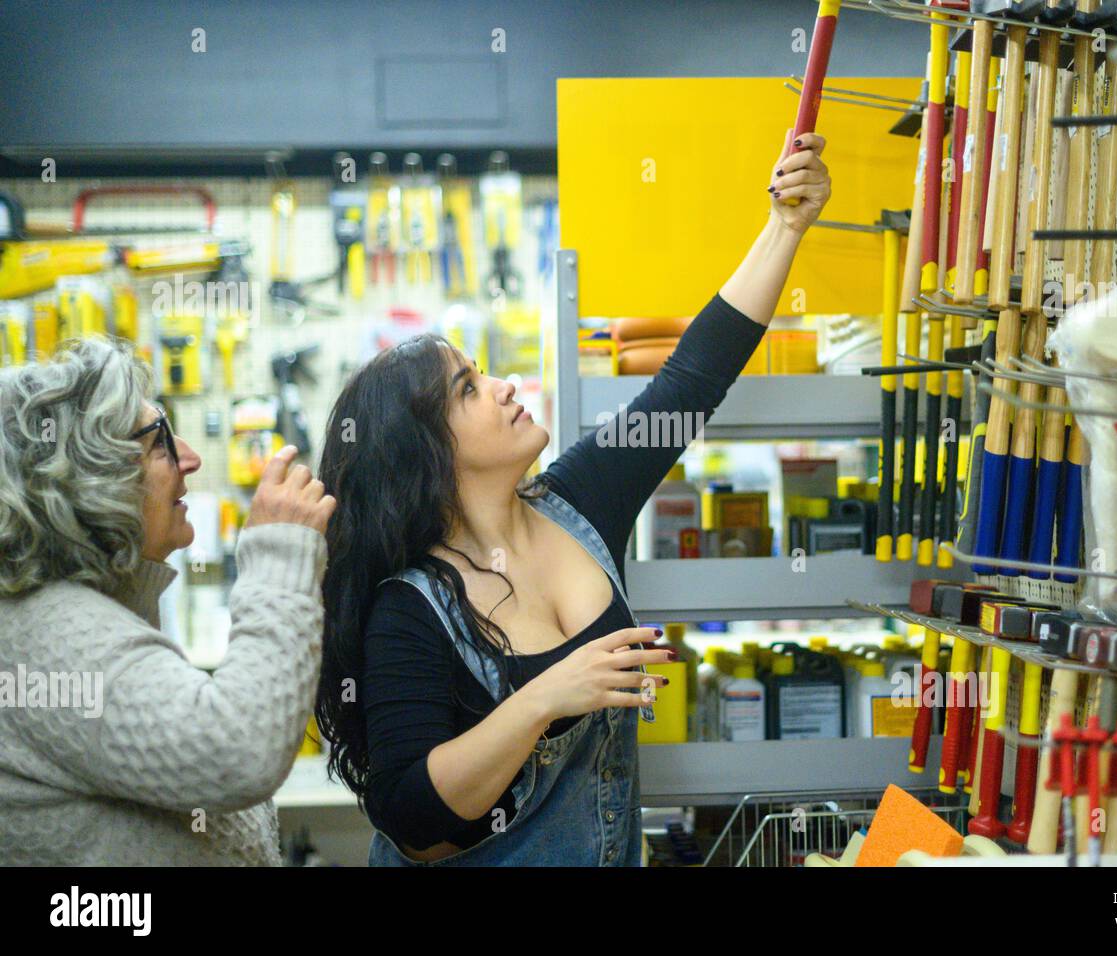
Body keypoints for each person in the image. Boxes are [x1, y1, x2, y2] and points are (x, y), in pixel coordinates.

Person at [316, 133, 832, 865]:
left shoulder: (578, 501)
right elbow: (408, 815)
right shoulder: (410, 607)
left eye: (484, 371)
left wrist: (786, 226)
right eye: (468, 389)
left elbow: (690, 379)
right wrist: (545, 697)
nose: (502, 386)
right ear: (426, 452)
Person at [0, 337, 336, 865]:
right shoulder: (43, 635)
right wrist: (278, 556)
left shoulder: (92, 609)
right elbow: (235, 752)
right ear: (87, 474)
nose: (192, 458)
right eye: (159, 440)